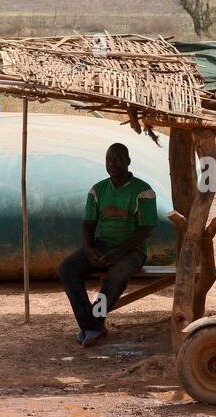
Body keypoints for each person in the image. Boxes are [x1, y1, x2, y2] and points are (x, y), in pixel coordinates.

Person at [58, 143, 156, 347]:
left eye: (117, 159)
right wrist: (88, 249)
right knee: (67, 268)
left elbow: (146, 230)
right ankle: (91, 325)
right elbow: (88, 225)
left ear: (128, 161)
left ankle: (94, 323)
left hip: (132, 250)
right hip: (102, 245)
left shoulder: (143, 191)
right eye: (108, 159)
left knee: (116, 276)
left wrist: (119, 252)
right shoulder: (97, 190)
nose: (112, 164)